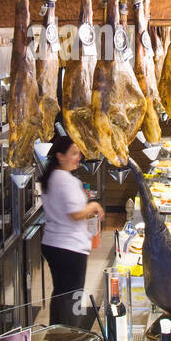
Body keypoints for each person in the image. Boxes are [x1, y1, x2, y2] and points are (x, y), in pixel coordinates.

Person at [41, 135, 104, 328]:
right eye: (74, 153)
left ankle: (57, 336)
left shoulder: (52, 177)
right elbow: (75, 213)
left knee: (61, 293)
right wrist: (93, 206)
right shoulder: (64, 180)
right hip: (69, 248)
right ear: (60, 156)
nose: (78, 157)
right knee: (72, 296)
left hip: (54, 244)